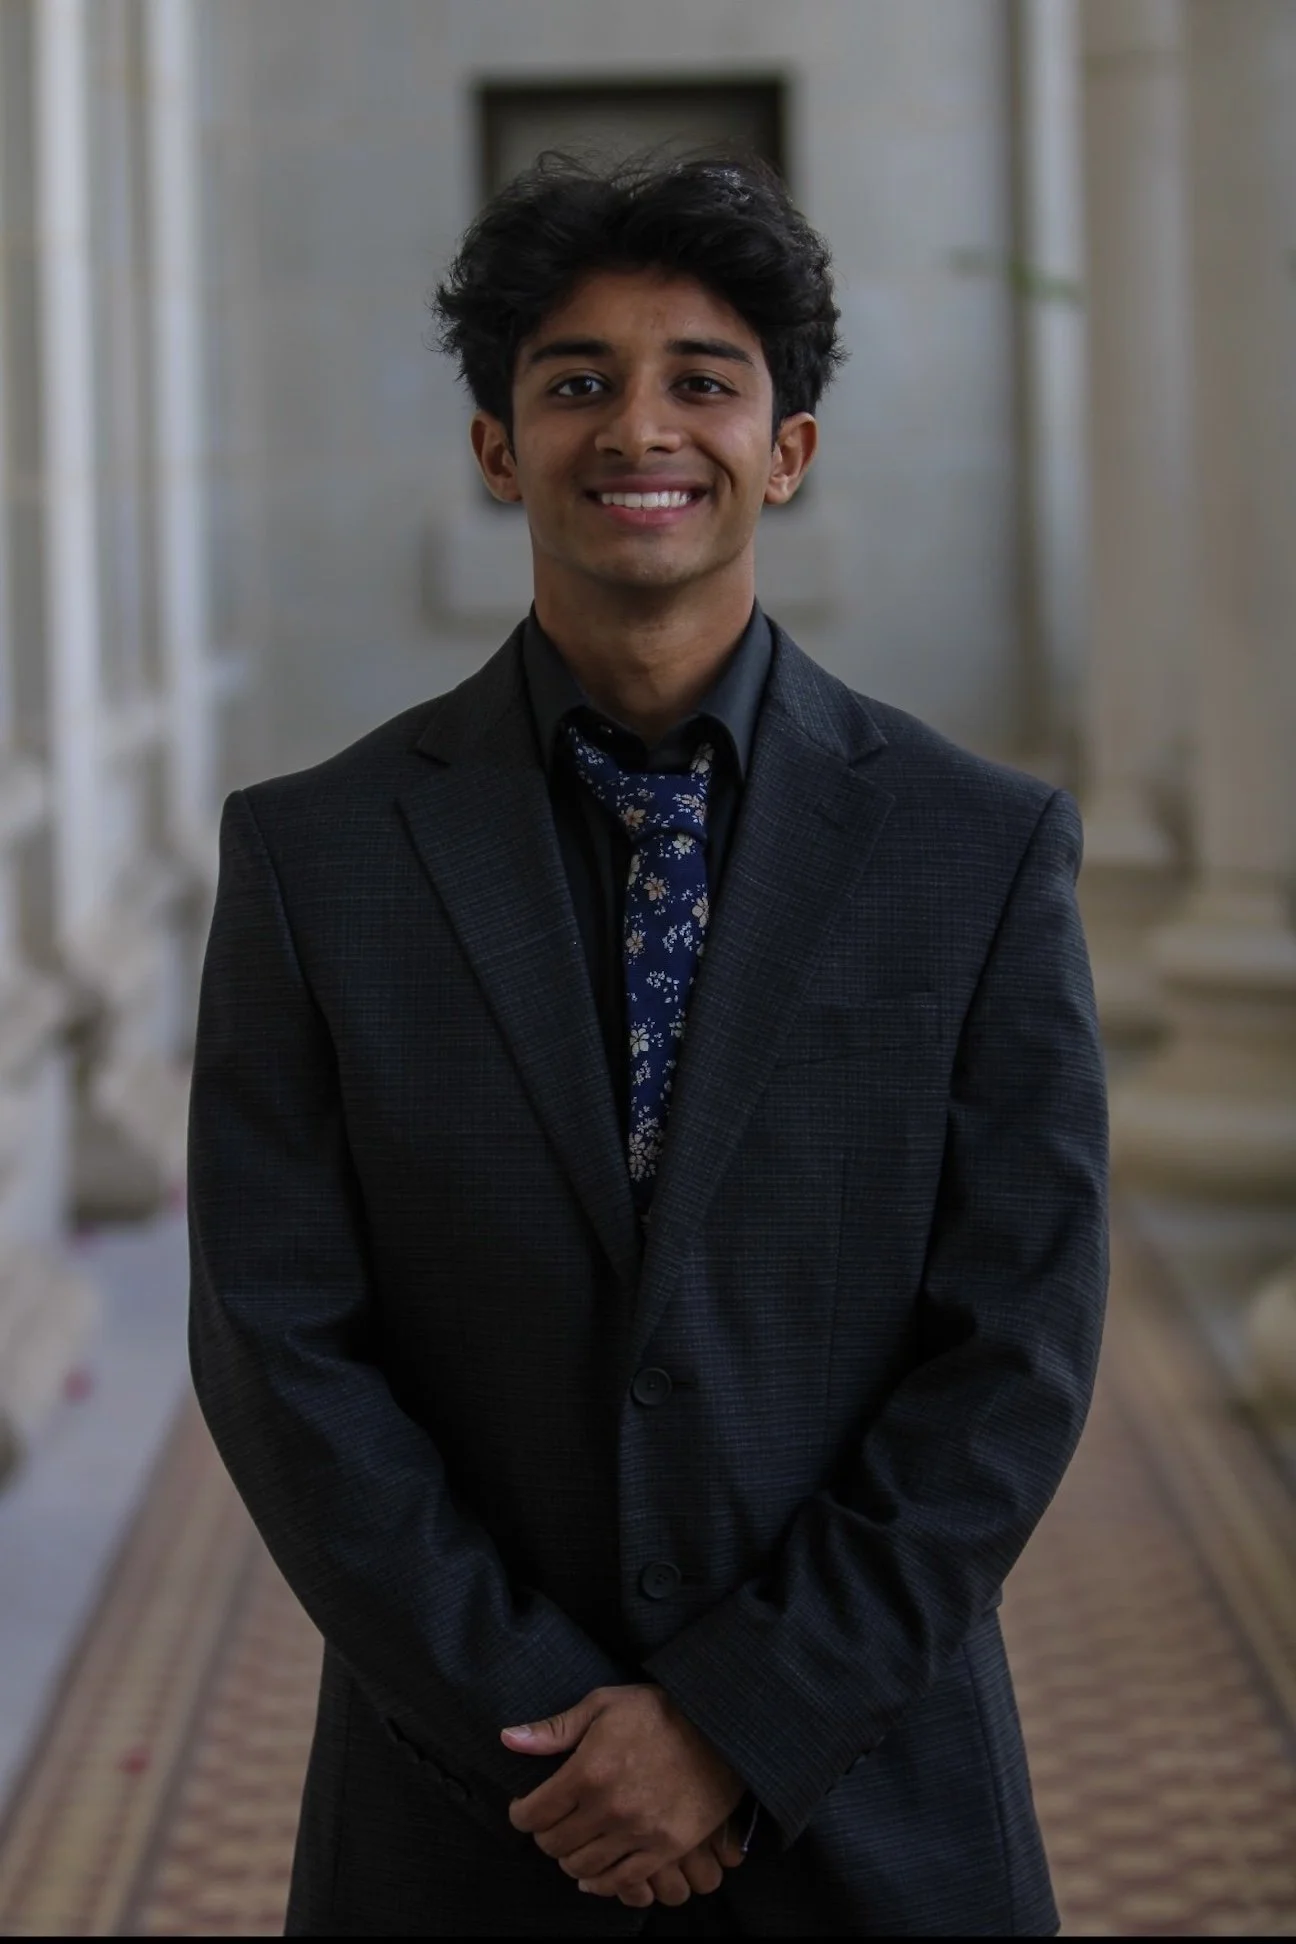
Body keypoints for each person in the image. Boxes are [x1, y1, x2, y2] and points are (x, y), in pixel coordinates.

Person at [188, 152, 1108, 1938]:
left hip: (872, 1805)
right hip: (466, 1821)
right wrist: (543, 1732)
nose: (640, 427)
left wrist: (739, 1719)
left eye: (704, 378)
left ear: (788, 448)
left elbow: (1020, 1339)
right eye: (576, 380)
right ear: (493, 445)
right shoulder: (315, 855)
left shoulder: (974, 848)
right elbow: (279, 1345)